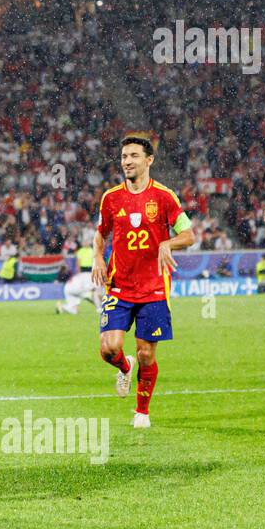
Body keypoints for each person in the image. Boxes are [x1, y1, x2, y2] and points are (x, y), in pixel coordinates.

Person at [94, 136, 196, 428]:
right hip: (119, 285)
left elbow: (189, 234)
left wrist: (169, 243)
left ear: (149, 160)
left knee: (146, 353)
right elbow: (101, 232)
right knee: (109, 348)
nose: (127, 161)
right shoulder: (111, 197)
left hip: (153, 288)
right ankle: (124, 367)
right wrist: (98, 258)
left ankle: (142, 412)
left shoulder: (164, 197)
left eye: (134, 156)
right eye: (124, 156)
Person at [57, 242, 101, 315]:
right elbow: (95, 293)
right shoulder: (93, 277)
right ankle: (99, 309)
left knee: (75, 311)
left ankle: (62, 307)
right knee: (92, 294)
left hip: (67, 288)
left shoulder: (83, 274)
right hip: (75, 288)